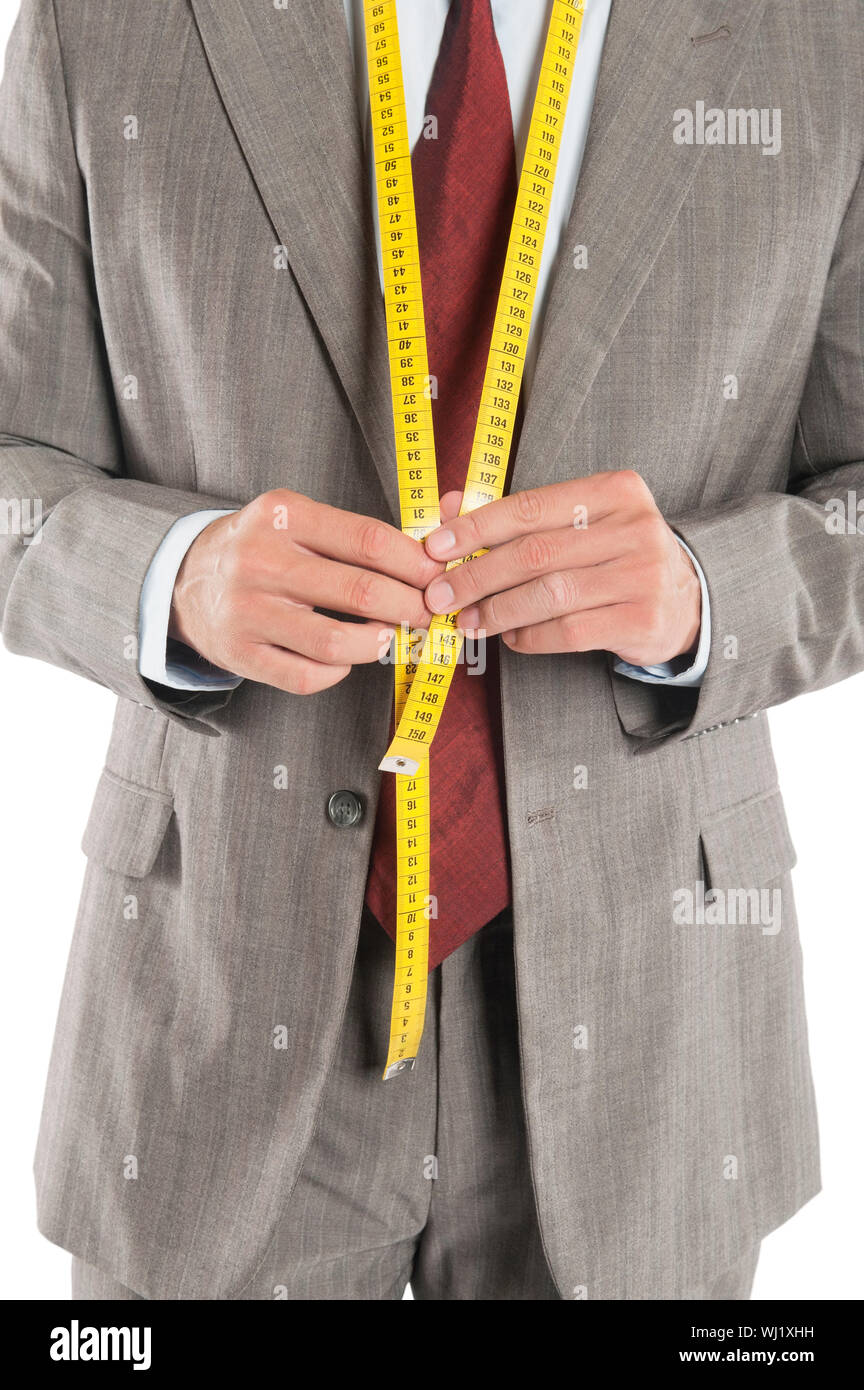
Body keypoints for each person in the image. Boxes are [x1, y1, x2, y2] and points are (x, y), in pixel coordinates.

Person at [0, 0, 861, 1301]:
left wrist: (706, 591)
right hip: (212, 1005)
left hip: (655, 1025)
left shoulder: (825, 35)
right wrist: (170, 579)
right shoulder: (103, 19)